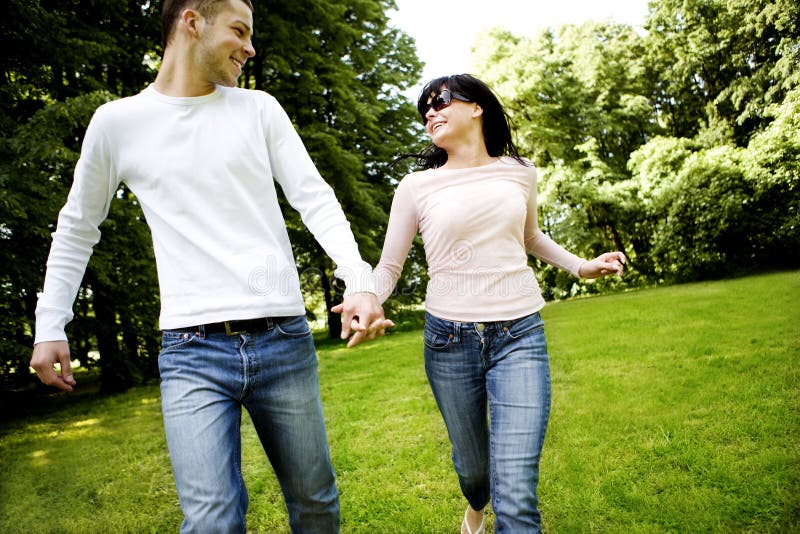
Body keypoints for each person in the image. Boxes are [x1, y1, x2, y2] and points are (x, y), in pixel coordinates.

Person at [29, 0, 391, 532]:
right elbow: (78, 227)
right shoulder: (116, 124)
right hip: (190, 351)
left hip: (283, 340)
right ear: (192, 21)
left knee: (315, 503)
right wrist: (49, 323)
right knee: (211, 521)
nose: (250, 47)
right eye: (239, 30)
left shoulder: (259, 110)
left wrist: (359, 279)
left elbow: (313, 198)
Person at [370, 74, 625, 533]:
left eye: (441, 100)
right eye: (424, 108)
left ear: (477, 107)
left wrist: (581, 267)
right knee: (475, 473)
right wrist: (367, 298)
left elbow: (529, 236)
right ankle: (475, 507)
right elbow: (389, 268)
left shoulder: (519, 171)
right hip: (449, 340)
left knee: (517, 491)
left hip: (519, 335)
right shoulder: (416, 187)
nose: (430, 112)